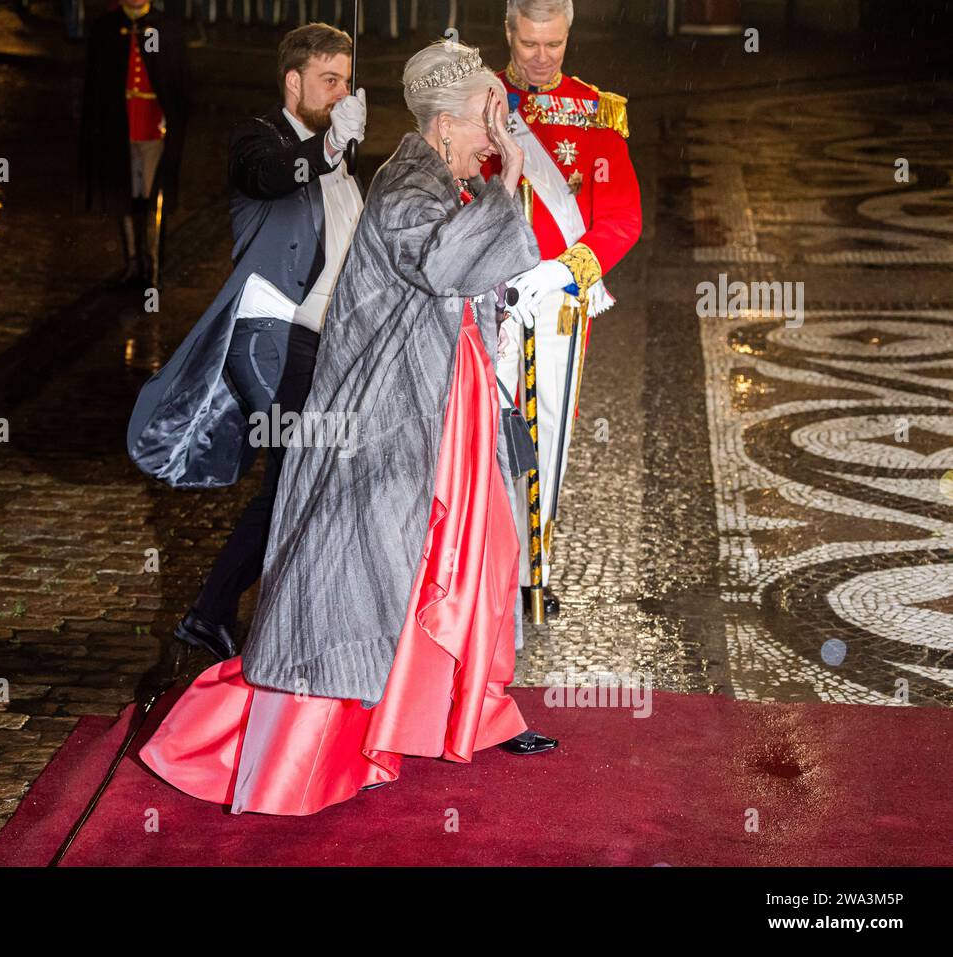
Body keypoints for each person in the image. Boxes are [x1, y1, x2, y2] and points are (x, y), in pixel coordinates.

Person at [140, 40, 557, 818]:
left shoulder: (440, 178)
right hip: (385, 423)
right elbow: (444, 266)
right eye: (485, 125)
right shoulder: (405, 185)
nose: (492, 140)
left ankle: (469, 707)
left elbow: (472, 284)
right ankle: (287, 744)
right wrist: (515, 182)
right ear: (443, 129)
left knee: (474, 555)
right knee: (357, 589)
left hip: (447, 410)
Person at [126, 23, 367, 661]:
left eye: (348, 81)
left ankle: (215, 614)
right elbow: (270, 178)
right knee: (301, 473)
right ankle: (247, 619)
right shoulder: (258, 140)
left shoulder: (340, 155)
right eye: (329, 81)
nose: (343, 94)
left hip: (320, 342)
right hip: (270, 334)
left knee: (294, 480)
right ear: (294, 82)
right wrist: (325, 150)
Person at [483, 0, 642, 619]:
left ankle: (529, 571)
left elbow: (622, 220)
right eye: (529, 44)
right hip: (488, 294)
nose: (542, 58)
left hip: (559, 302)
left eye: (554, 44)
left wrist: (563, 271)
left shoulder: (598, 111)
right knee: (482, 429)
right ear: (508, 33)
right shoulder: (480, 100)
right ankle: (481, 564)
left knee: (547, 428)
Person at [79, 0, 190, 287]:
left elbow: (177, 84)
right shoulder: (106, 29)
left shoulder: (166, 28)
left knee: (155, 200)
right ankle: (131, 263)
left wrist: (172, 124)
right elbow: (96, 84)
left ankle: (153, 267)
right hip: (119, 126)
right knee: (124, 196)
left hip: (154, 127)